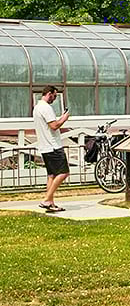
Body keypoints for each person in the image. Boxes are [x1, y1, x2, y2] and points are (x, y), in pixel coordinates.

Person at [33, 85, 71, 213]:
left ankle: (50, 203)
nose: (54, 99)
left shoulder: (37, 108)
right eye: (54, 96)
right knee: (64, 173)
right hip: (53, 146)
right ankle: (47, 199)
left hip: (44, 146)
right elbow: (54, 126)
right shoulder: (46, 108)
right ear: (49, 94)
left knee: (52, 175)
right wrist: (64, 118)